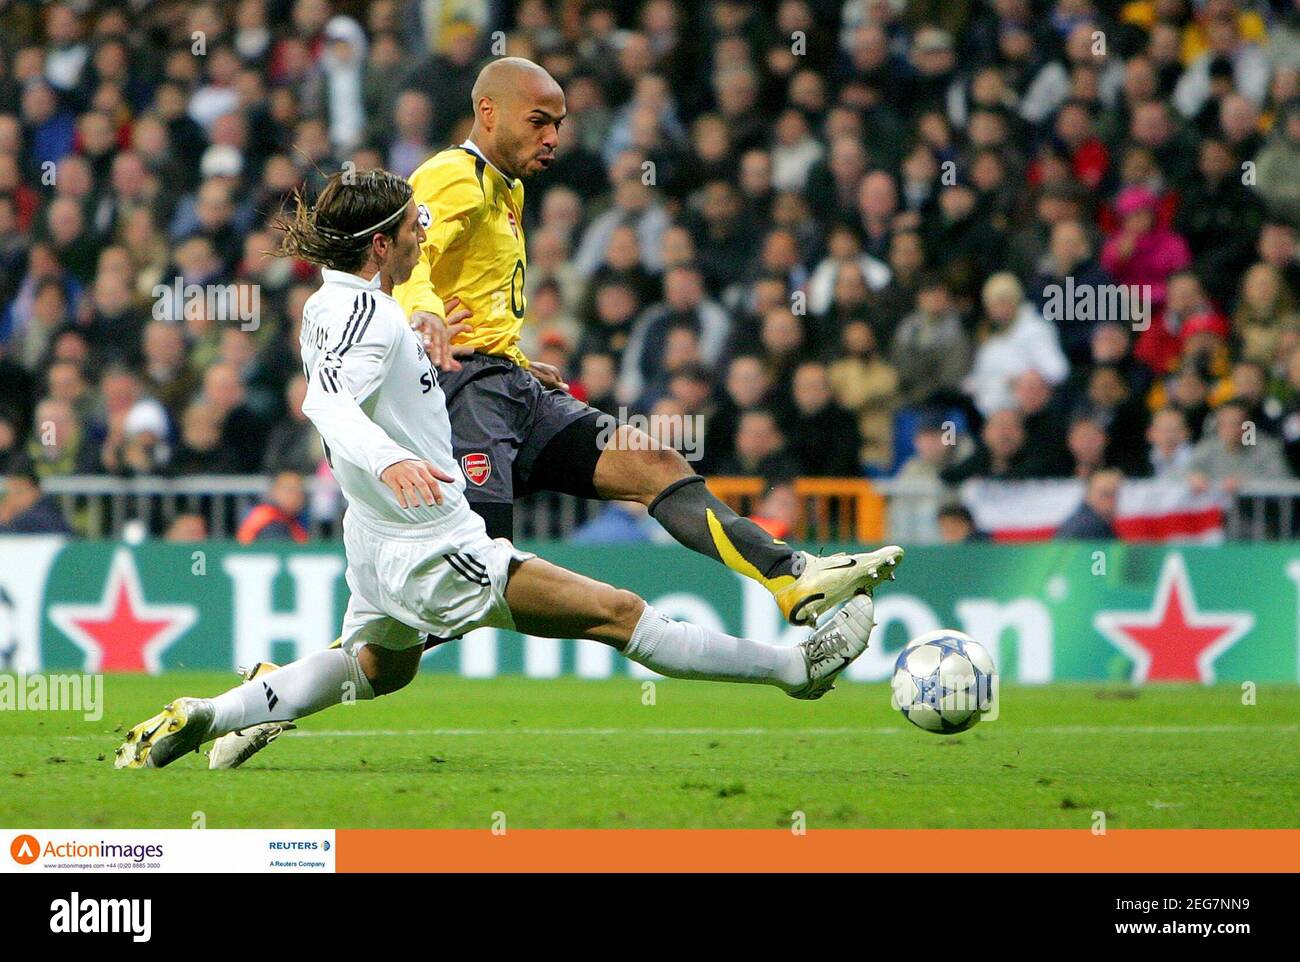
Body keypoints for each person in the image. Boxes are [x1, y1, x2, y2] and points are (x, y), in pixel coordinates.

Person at [114, 170, 902, 771]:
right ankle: (797, 667)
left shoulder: (330, 307)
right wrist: (394, 461)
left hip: (376, 545)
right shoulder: (374, 316)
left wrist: (465, 359)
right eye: (415, 228)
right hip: (431, 539)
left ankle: (212, 712)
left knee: (375, 669)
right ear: (383, 245)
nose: (427, 237)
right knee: (620, 615)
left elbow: (361, 382)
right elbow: (327, 407)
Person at [390, 57, 892, 629]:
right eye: (538, 121)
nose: (553, 137)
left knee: (654, 460)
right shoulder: (453, 175)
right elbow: (408, 253)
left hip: (513, 389)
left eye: (558, 123)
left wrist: (516, 359)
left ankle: (792, 576)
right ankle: (293, 686)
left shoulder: (507, 189)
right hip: (465, 395)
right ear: (488, 111)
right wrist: (426, 319)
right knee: (474, 587)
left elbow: (471, 289)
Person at [1055, 469, 1122, 540]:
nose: (1112, 501)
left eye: (1114, 495)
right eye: (1106, 494)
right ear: (1088, 495)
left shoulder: (1078, 520)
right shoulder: (1095, 527)